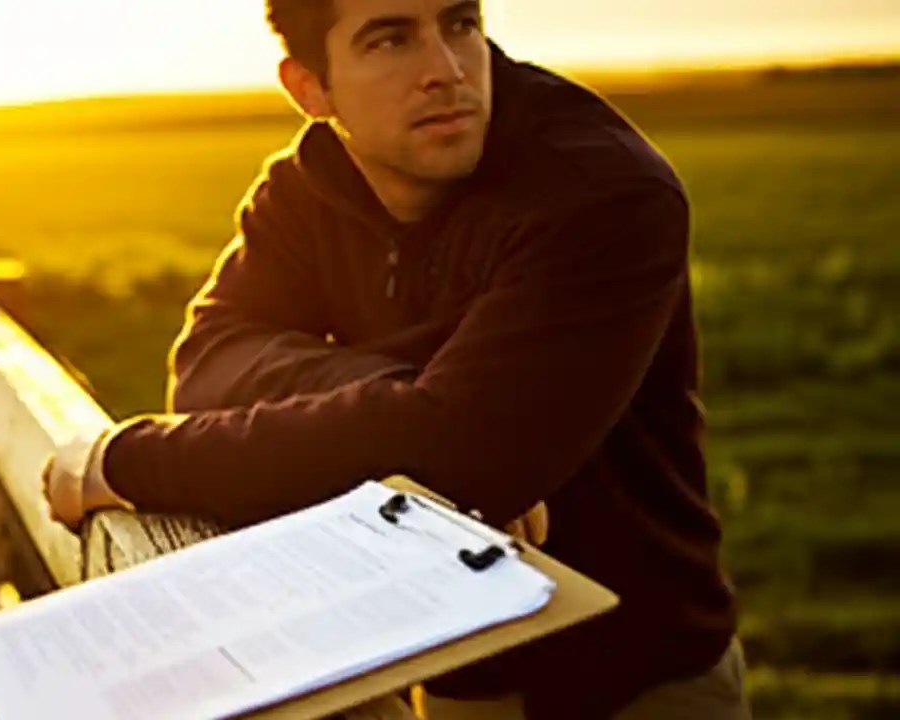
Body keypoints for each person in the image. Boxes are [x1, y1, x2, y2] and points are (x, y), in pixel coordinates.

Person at [43, 0, 748, 717]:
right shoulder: (305, 187)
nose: (446, 70)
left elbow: (464, 453)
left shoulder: (602, 189)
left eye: (460, 24)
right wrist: (409, 400)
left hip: (640, 668)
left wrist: (129, 460)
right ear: (310, 87)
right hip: (449, 659)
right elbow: (207, 366)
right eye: (390, 40)